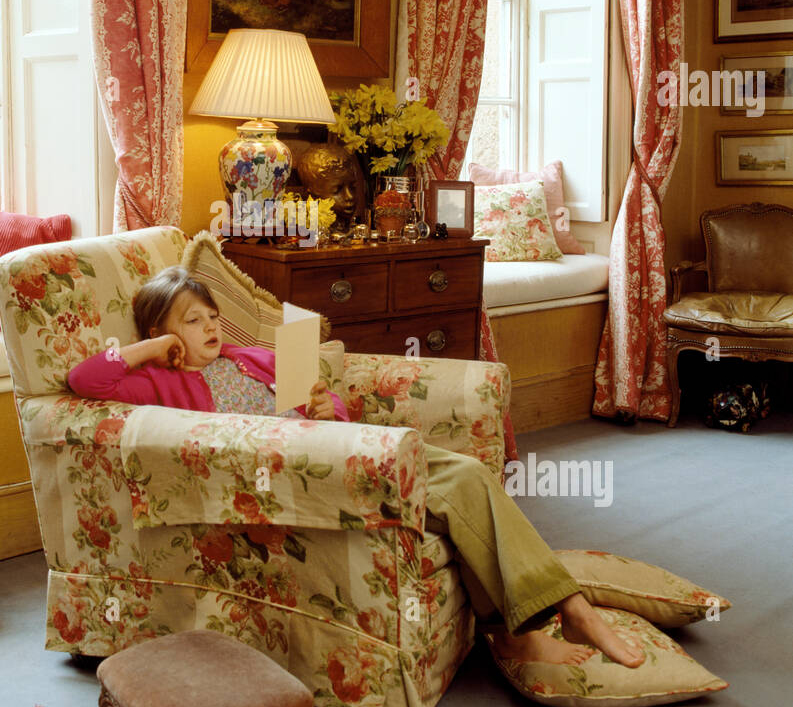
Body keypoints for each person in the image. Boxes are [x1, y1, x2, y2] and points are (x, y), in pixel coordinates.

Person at [68, 267, 644, 669]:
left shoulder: (251, 358)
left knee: (467, 475)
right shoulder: (158, 382)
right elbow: (85, 380)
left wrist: (326, 405)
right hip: (291, 474)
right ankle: (564, 614)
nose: (212, 328)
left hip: (340, 449)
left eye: (213, 316)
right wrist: (150, 349)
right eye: (193, 321)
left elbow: (330, 406)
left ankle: (541, 621)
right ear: (161, 331)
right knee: (461, 481)